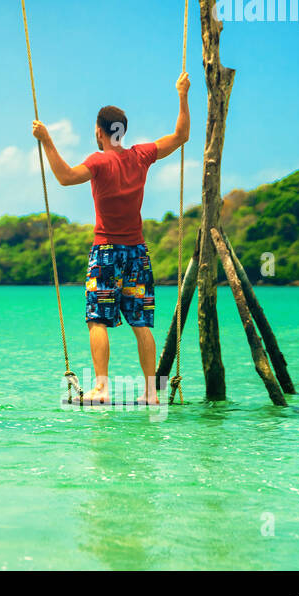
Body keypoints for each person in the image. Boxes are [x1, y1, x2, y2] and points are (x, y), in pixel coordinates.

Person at [31, 74, 191, 404]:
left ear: (100, 132)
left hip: (105, 253)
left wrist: (46, 139)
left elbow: (63, 177)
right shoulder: (141, 156)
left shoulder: (99, 161)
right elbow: (181, 135)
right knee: (141, 321)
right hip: (137, 253)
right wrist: (182, 94)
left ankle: (102, 388)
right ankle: (151, 393)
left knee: (97, 321)